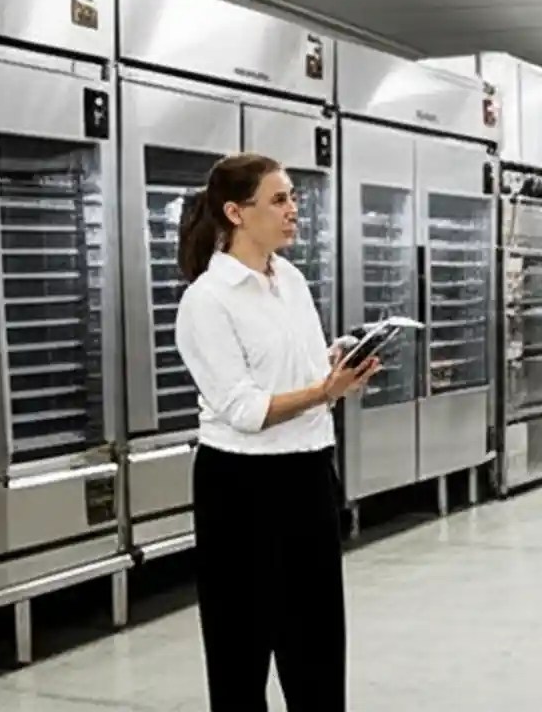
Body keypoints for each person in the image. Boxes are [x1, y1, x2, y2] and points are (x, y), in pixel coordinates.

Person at [174, 153, 380, 711]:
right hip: (242, 487)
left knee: (316, 647)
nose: (294, 210)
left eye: (293, 197)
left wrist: (338, 366)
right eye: (280, 199)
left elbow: (304, 370)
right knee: (241, 652)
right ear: (236, 212)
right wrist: (324, 393)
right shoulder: (207, 301)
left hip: (310, 474)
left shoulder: (288, 279)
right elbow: (243, 408)